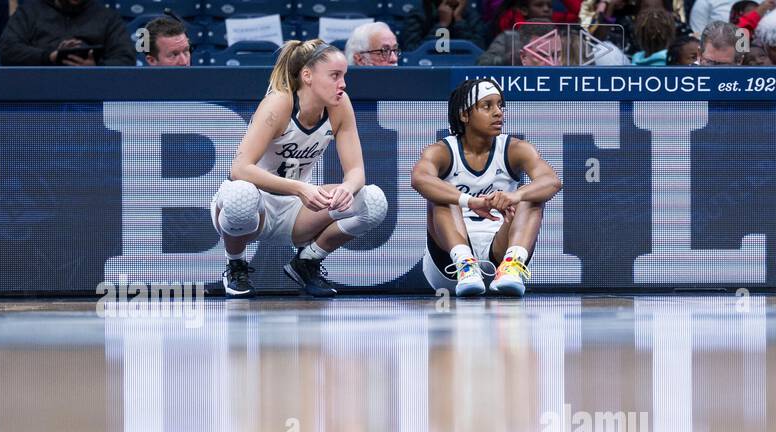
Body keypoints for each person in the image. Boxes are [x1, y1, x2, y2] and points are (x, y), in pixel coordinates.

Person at [206, 39, 388, 297]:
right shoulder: (279, 102)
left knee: (372, 201)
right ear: (308, 76)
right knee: (242, 194)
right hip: (257, 207)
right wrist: (300, 188)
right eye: (335, 75)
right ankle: (235, 264)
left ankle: (307, 261)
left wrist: (347, 188)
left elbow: (356, 171)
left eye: (344, 76)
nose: (343, 84)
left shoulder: (340, 104)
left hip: (297, 212)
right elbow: (239, 169)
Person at [411, 79, 563, 297]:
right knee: (441, 194)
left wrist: (515, 195)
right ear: (464, 115)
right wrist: (470, 201)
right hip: (449, 266)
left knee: (532, 196)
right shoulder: (441, 150)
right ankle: (466, 263)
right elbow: (419, 179)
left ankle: (513, 265)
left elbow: (552, 181)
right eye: (487, 106)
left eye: (500, 105)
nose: (498, 112)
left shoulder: (516, 148)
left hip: (499, 254)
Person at [0, 0, 134, 66]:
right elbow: (8, 51)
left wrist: (96, 67)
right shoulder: (29, 12)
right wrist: (50, 56)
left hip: (92, 96)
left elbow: (126, 59)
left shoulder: (108, 18)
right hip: (39, 92)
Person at [399, 0, 488, 55]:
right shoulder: (418, 14)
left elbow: (480, 52)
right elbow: (411, 52)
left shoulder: (471, 15)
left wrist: (459, 21)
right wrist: (442, 25)